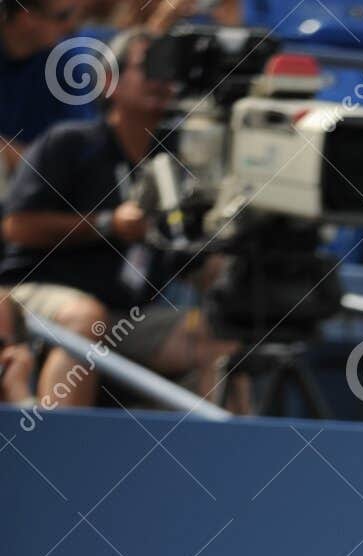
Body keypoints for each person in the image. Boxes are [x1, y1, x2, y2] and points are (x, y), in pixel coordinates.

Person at [1, 30, 236, 407]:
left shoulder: (183, 159)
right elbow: (16, 226)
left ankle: (215, 462)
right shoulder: (70, 142)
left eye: (170, 70)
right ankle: (60, 452)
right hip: (31, 297)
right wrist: (108, 225)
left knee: (217, 337)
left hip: (127, 315)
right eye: (150, 68)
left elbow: (187, 254)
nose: (162, 80)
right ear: (110, 79)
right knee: (85, 318)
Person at [0, 0, 84, 193]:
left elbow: (80, 157)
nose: (71, 26)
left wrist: (15, 155)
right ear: (25, 17)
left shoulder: (65, 66)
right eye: (63, 16)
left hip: (43, 195)